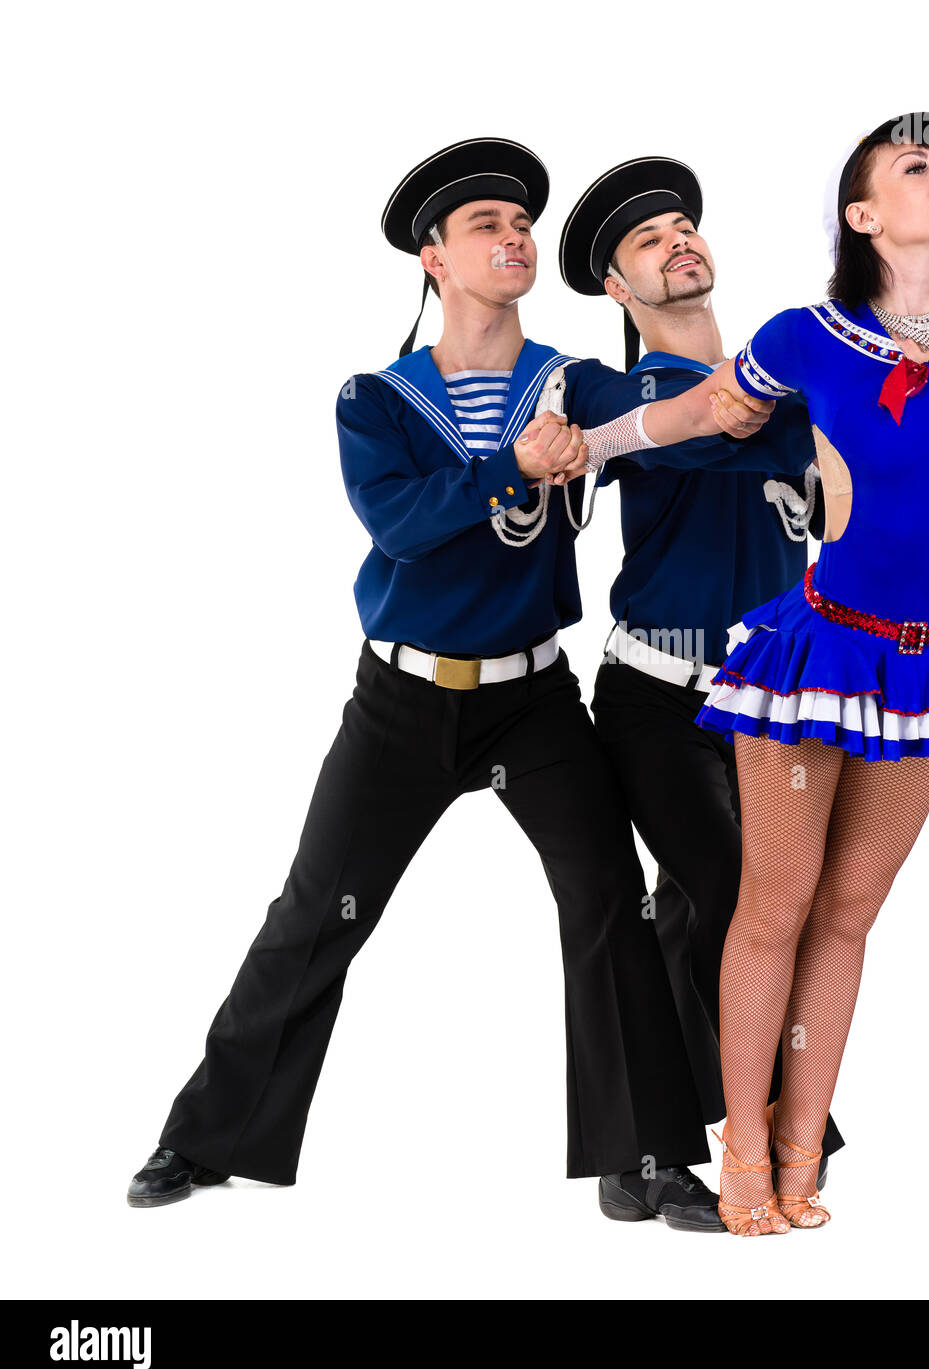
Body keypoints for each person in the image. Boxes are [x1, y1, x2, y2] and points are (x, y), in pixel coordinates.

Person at [126, 137, 759, 1231]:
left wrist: (724, 406)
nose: (514, 236)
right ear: (434, 259)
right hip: (403, 704)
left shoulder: (574, 384)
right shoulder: (376, 397)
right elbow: (400, 526)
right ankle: (202, 1134)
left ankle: (648, 1159)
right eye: (487, 225)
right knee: (318, 912)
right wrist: (514, 467)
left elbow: (663, 427)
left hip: (536, 698)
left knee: (606, 899)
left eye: (522, 222)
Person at [686, 112, 929, 1235]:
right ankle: (740, 1143)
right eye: (914, 168)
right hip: (818, 657)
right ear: (861, 213)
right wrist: (621, 434)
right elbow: (719, 409)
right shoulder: (804, 332)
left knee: (852, 907)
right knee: (776, 904)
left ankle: (801, 1148)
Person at [557, 157, 847, 1223]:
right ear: (617, 290)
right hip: (657, 696)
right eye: (649, 241)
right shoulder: (608, 390)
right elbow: (718, 429)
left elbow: (842, 501)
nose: (679, 240)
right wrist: (817, 427)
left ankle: (642, 1155)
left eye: (685, 225)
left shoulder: (780, 385)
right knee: (737, 894)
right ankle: (773, 1137)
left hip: (771, 700)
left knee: (694, 916)